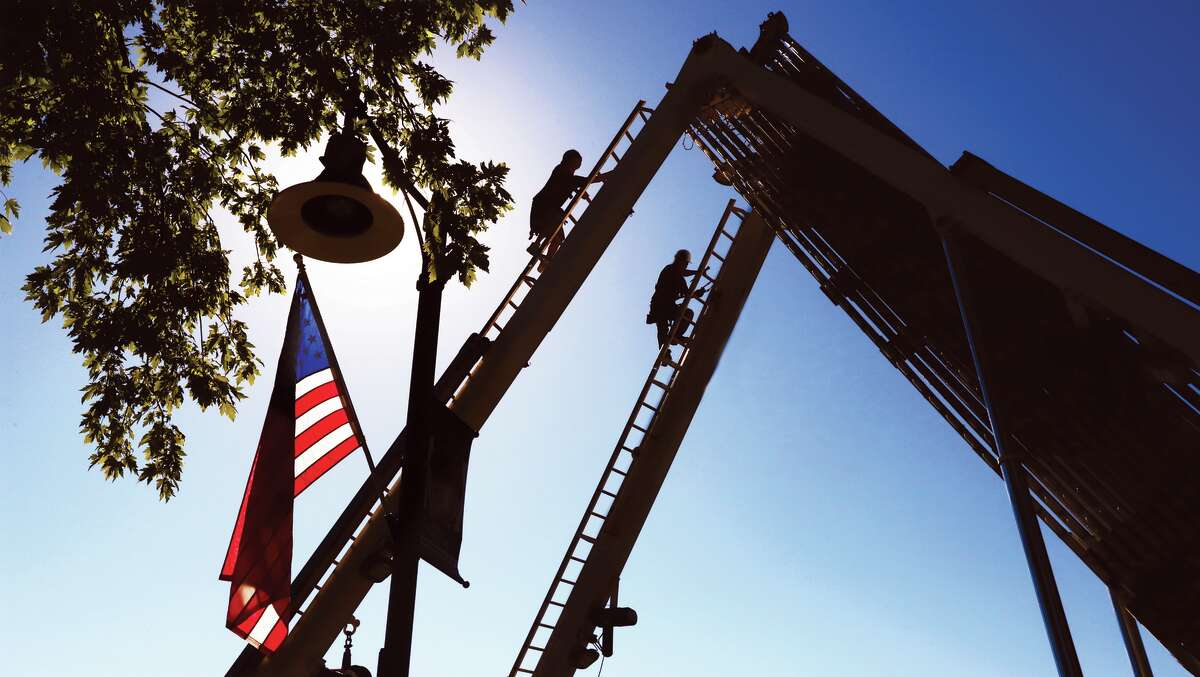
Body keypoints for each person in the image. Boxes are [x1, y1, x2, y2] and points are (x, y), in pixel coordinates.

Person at [528, 149, 607, 258]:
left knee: (559, 237)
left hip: (550, 208)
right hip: (543, 205)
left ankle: (547, 260)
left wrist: (580, 191)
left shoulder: (567, 176)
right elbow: (577, 181)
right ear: (568, 161)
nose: (575, 167)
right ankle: (536, 244)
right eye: (575, 164)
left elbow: (572, 183)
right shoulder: (561, 170)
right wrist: (602, 177)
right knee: (553, 221)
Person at [646, 249, 707, 348]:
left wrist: (698, 273)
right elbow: (687, 294)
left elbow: (683, 274)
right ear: (681, 261)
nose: (686, 266)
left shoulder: (669, 269)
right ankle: (674, 339)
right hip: (663, 307)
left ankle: (669, 345)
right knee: (687, 314)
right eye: (686, 263)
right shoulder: (675, 274)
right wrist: (697, 293)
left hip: (660, 307)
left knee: (664, 330)